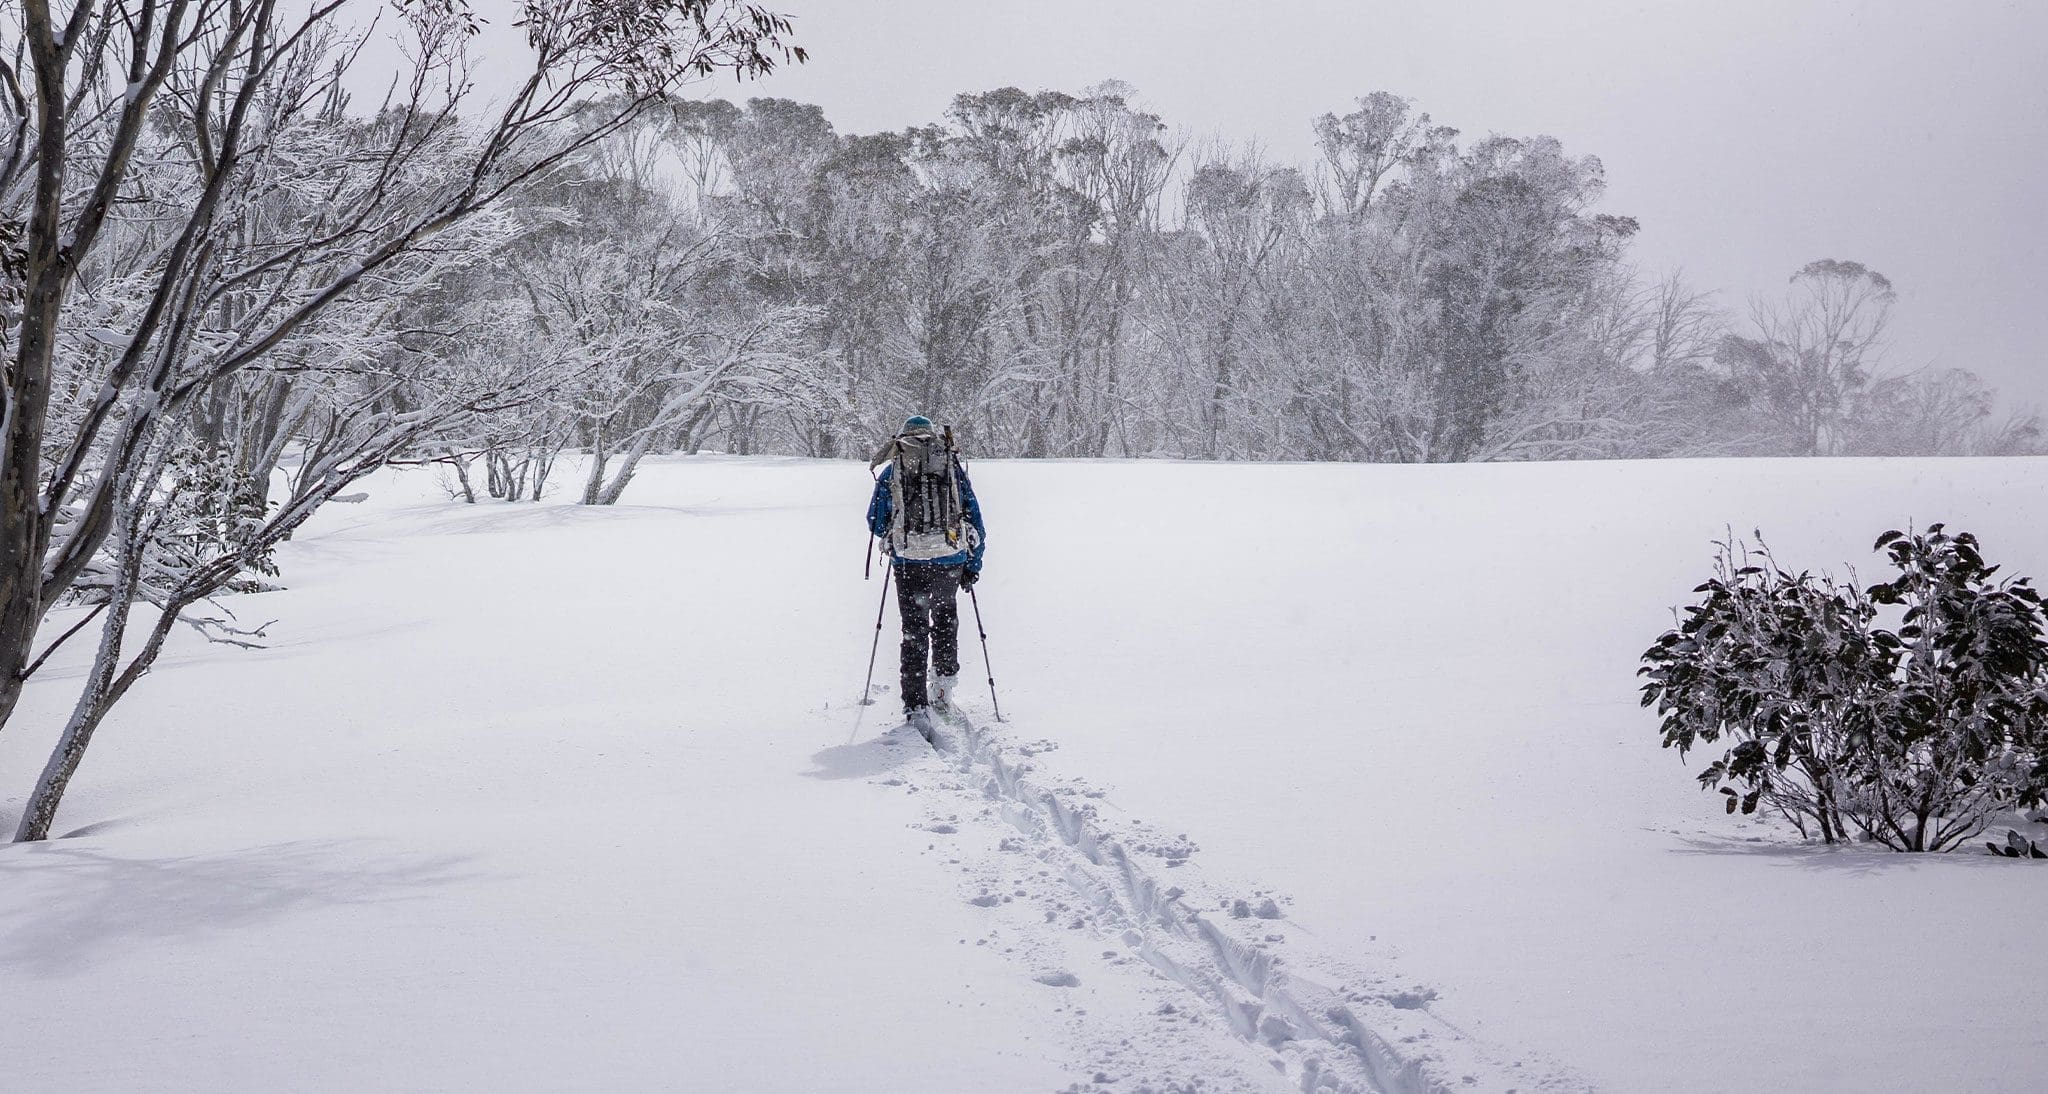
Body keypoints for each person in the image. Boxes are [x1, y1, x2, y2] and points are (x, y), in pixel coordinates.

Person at [867, 415, 985, 733]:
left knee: (913, 630)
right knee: (945, 620)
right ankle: (943, 689)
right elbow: (973, 515)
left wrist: (899, 536)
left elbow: (875, 521)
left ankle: (916, 706)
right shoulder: (950, 467)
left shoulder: (894, 469)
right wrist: (972, 566)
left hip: (909, 563)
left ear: (903, 440)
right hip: (949, 558)